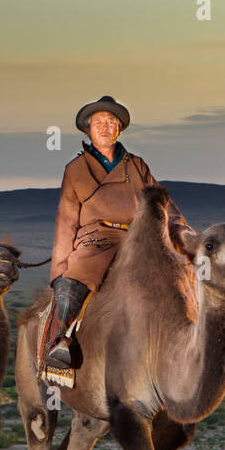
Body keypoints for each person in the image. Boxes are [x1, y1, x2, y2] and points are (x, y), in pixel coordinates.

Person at [42, 96, 196, 370]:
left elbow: (163, 204)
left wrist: (185, 235)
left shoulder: (137, 165)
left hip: (139, 237)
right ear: (88, 130)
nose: (105, 127)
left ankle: (190, 339)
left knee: (181, 277)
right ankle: (60, 341)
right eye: (99, 122)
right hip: (95, 240)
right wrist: (59, 269)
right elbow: (66, 220)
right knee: (74, 278)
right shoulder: (75, 170)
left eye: (111, 123)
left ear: (119, 130)